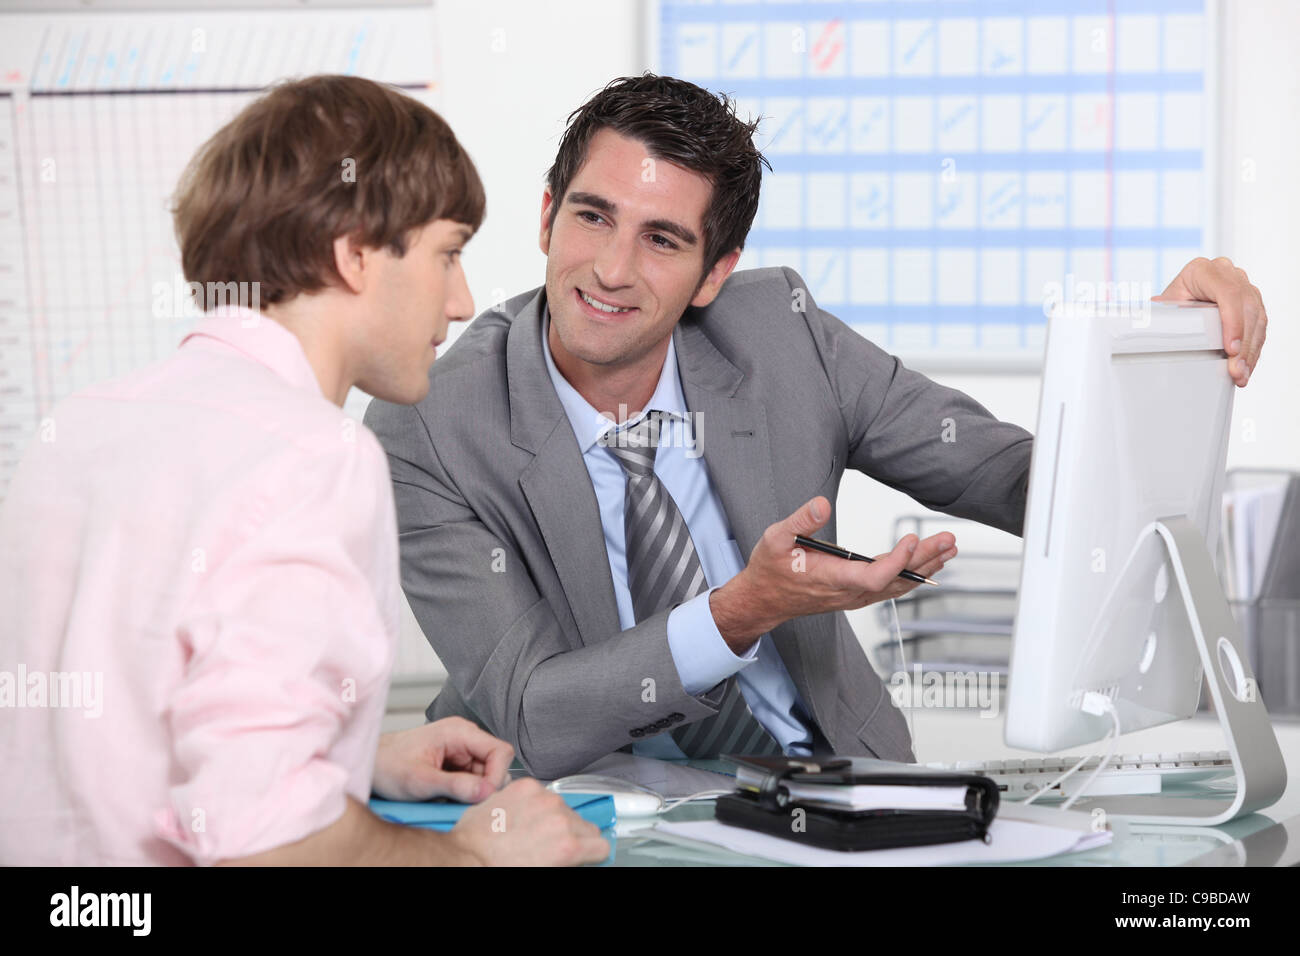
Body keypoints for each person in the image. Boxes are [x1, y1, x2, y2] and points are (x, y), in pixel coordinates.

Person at [364, 73, 1269, 780]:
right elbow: (531, 708)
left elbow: (1018, 479)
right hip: (587, 807)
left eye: (662, 239)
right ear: (547, 215)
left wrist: (1151, 359)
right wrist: (738, 613)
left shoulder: (780, 332)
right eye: (593, 217)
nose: (609, 268)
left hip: (836, 788)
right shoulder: (430, 424)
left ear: (715, 273)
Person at [0, 75, 609, 867]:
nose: (462, 301)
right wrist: (476, 856)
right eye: (449, 253)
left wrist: (353, 759)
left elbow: (109, 731)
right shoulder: (314, 456)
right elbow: (268, 846)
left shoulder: (83, 424)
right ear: (355, 254)